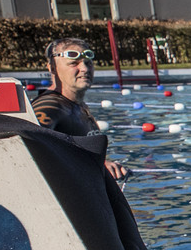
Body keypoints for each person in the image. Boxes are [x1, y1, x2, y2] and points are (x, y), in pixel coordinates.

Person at [32, 38, 128, 180]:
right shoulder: (48, 106)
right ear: (52, 68)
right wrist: (94, 165)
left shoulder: (76, 105)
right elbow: (31, 150)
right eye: (74, 63)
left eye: (88, 63)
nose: (85, 68)